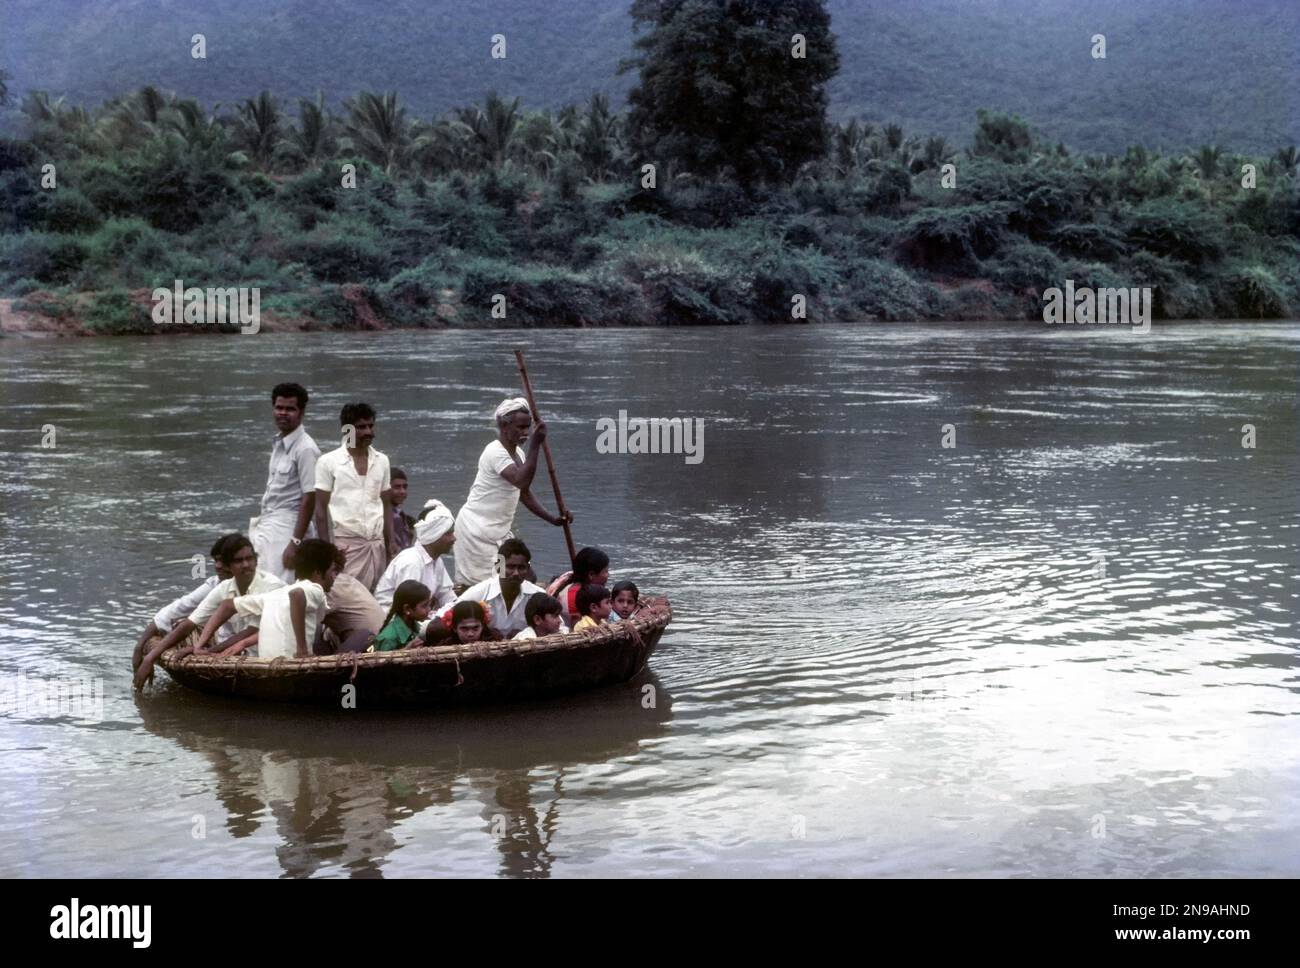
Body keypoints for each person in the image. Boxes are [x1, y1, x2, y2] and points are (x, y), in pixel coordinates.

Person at [133, 536, 284, 690]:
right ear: (228, 566)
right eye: (239, 561)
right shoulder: (223, 587)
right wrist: (150, 658)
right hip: (238, 652)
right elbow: (190, 623)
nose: (246, 565)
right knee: (181, 624)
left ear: (256, 561)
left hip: (268, 654)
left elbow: (252, 631)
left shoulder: (272, 585)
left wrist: (206, 651)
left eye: (249, 559)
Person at [453, 397, 571, 589]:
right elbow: (521, 480)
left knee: (522, 577)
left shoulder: (519, 454)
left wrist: (552, 519)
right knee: (484, 587)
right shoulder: (494, 452)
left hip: (498, 533)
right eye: (520, 427)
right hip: (476, 532)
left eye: (528, 428)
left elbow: (523, 492)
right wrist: (535, 444)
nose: (525, 433)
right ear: (504, 426)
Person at [195, 538, 340, 660]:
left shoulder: (275, 594)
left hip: (266, 662)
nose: (334, 576)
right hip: (292, 663)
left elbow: (227, 605)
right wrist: (302, 651)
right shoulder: (314, 588)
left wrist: (200, 646)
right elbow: (297, 595)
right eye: (333, 571)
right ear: (318, 573)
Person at [313, 402, 394, 592]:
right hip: (345, 546)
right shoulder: (328, 462)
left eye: (371, 426)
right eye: (361, 427)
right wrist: (328, 551)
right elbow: (320, 511)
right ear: (347, 429)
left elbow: (386, 505)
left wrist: (391, 542)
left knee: (377, 596)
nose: (368, 432)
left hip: (376, 544)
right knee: (342, 596)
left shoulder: (382, 461)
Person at [132, 533, 238, 673]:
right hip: (225, 648)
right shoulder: (216, 585)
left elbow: (252, 632)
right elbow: (179, 610)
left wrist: (200, 649)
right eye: (216, 560)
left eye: (223, 561)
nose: (218, 566)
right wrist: (140, 647)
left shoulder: (260, 586)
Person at [251, 383, 321, 583]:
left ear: (301, 412)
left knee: (279, 587)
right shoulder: (279, 443)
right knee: (262, 584)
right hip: (269, 524)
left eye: (290, 409)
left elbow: (310, 497)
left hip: (289, 529)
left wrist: (295, 542)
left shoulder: (306, 449)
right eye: (279, 408)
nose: (283, 413)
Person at [434, 538, 544, 639]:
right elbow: (442, 617)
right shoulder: (479, 592)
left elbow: (559, 628)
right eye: (510, 567)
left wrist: (526, 633)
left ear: (528, 569)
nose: (516, 573)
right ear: (498, 567)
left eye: (521, 568)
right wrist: (485, 632)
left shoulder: (538, 595)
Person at [373, 499, 456, 612]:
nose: (453, 538)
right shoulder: (411, 562)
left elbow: (447, 596)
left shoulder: (437, 561)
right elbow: (407, 612)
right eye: (448, 533)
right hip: (394, 621)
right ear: (433, 536)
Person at [547, 547, 611, 626]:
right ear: (591, 575)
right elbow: (579, 629)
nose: (608, 575)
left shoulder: (589, 591)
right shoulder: (574, 595)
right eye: (605, 571)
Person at [366, 580, 431, 653]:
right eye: (424, 606)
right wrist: (405, 651)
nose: (429, 609)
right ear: (407, 609)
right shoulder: (388, 638)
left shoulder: (416, 627)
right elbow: (379, 661)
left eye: (429, 605)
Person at [389, 468, 416, 551]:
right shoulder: (394, 518)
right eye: (397, 487)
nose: (402, 491)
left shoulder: (400, 515)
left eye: (405, 487)